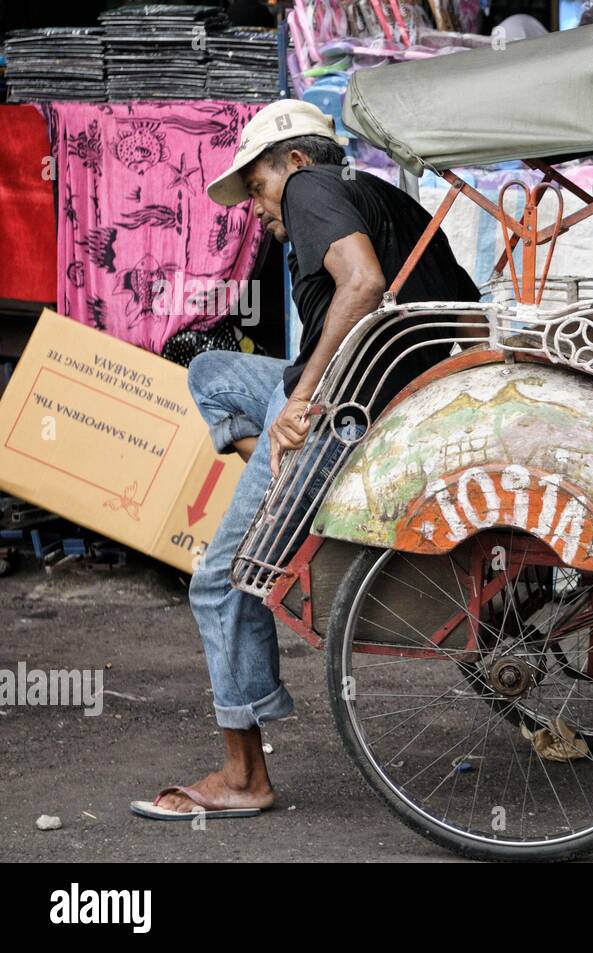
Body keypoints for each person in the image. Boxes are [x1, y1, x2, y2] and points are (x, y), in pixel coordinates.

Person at [130, 99, 480, 820]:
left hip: (341, 411)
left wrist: (302, 399)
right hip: (365, 397)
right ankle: (290, 497)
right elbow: (465, 314)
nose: (257, 207)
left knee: (221, 581)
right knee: (210, 370)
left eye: (257, 187)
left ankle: (244, 778)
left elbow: (364, 283)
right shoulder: (381, 196)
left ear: (293, 160)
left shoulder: (310, 187)